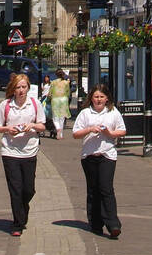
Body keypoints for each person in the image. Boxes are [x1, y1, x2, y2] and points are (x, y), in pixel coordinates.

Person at [0, 73, 45, 236]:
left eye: (24, 87)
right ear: (13, 90)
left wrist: (33, 126)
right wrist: (8, 129)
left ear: (28, 88)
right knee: (15, 188)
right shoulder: (6, 105)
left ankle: (23, 210)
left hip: (29, 150)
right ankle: (17, 224)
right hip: (10, 151)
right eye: (18, 87)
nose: (21, 90)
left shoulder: (35, 104)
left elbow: (43, 126)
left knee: (28, 190)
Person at [73, 84, 126, 239]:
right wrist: (90, 129)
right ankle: (95, 223)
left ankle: (113, 224)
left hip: (107, 155)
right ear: (91, 98)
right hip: (89, 155)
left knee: (106, 188)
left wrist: (109, 133)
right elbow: (76, 134)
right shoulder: (85, 113)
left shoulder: (113, 112)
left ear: (106, 98)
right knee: (93, 189)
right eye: (96, 97)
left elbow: (122, 130)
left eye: (101, 97)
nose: (98, 100)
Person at [49, 70, 72, 139]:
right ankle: (61, 134)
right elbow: (68, 92)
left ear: (56, 75)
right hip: (64, 100)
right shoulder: (66, 83)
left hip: (55, 100)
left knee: (55, 117)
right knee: (62, 118)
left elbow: (50, 92)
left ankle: (57, 128)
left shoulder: (53, 82)